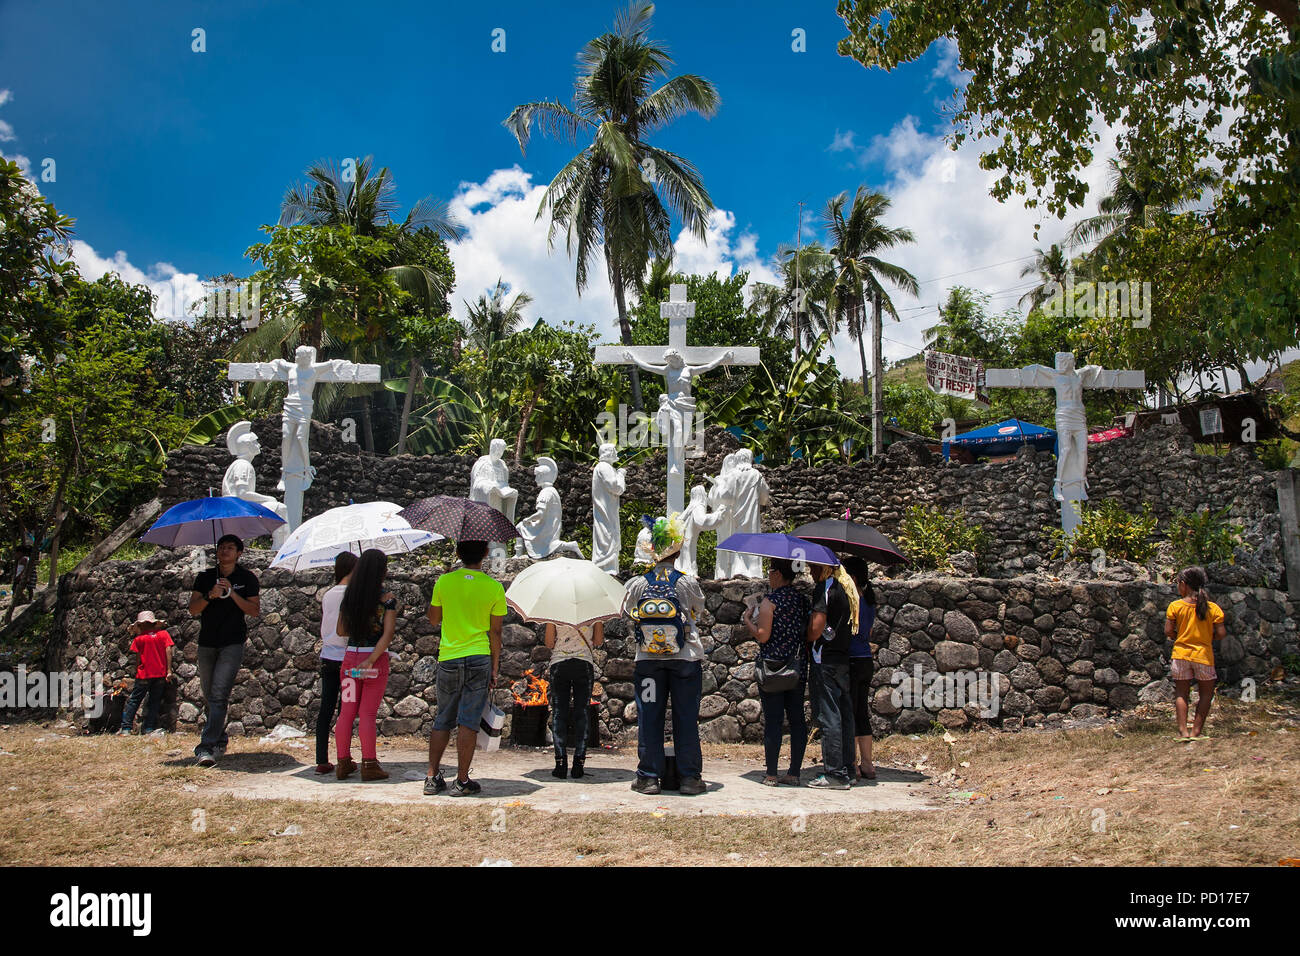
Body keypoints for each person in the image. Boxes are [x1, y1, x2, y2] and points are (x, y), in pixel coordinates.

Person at [623, 514, 707, 796]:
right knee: (686, 717)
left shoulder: (637, 583)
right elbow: (698, 612)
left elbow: (627, 612)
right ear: (678, 549)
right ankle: (689, 778)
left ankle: (648, 777)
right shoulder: (686, 582)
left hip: (648, 663)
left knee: (649, 716)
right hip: (685, 661)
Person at [425, 540, 505, 797]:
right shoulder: (494, 587)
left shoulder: (444, 582)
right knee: (469, 720)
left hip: (449, 655)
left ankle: (431, 776)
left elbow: (434, 619)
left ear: (458, 554)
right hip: (479, 656)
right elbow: (495, 631)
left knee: (443, 717)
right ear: (485, 554)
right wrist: (494, 667)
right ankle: (461, 780)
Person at [188, 534, 261, 767]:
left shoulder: (247, 578)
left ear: (239, 553)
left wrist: (232, 593)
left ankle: (206, 747)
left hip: (232, 641)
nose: (225, 551)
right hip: (207, 641)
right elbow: (193, 609)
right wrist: (211, 595)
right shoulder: (205, 577)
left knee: (219, 694)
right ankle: (220, 739)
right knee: (210, 696)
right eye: (221, 547)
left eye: (230, 548)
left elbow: (254, 610)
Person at [744, 558, 810, 786]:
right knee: (797, 720)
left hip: (772, 668)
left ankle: (771, 772)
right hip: (796, 666)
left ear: (779, 574)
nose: (769, 575)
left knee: (773, 720)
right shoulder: (802, 600)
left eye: (771, 571)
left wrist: (747, 621)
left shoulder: (769, 602)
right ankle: (794, 772)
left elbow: (763, 635)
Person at [334, 549, 397, 781]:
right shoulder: (387, 599)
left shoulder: (349, 596)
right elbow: (387, 634)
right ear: (383, 571)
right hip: (374, 662)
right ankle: (369, 764)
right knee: (368, 713)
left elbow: (341, 630)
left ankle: (342, 762)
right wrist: (370, 660)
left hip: (350, 661)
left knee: (347, 712)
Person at [806, 560, 858, 789]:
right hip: (842, 658)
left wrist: (806, 635)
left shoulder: (825, 588)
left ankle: (834, 773)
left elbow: (817, 627)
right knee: (845, 715)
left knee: (830, 717)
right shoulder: (847, 588)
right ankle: (848, 768)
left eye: (813, 567)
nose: (809, 572)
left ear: (824, 568)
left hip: (825, 659)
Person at [1165, 566, 1226, 740]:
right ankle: (1196, 731)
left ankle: (1183, 732)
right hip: (1204, 656)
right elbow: (1221, 633)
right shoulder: (1213, 608)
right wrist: (1206, 637)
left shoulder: (1175, 606)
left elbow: (1169, 631)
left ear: (1183, 585)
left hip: (1181, 655)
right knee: (1206, 693)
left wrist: (1181, 637)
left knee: (1181, 693)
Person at [314, 551, 357, 775]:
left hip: (328, 655)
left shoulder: (329, 594)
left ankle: (321, 758)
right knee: (346, 710)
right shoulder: (352, 595)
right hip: (347, 658)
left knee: (326, 709)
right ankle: (344, 756)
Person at [545, 619, 604, 779]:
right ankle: (579, 763)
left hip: (559, 664)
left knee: (559, 713)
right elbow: (598, 641)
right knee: (582, 713)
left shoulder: (554, 611)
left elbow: (549, 643)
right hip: (583, 664)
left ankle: (560, 763)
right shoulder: (594, 611)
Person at [843, 557, 878, 780]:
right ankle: (868, 763)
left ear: (853, 578)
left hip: (852, 659)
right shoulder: (870, 600)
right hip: (865, 659)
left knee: (850, 713)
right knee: (862, 713)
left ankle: (853, 764)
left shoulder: (851, 601)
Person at [118, 611, 174, 735]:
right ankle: (149, 728)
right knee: (154, 701)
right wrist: (168, 670)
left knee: (134, 701)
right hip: (160, 673)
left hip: (144, 674)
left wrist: (137, 669)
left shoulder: (139, 639)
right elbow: (168, 650)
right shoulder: (163, 635)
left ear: (141, 625)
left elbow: (138, 658)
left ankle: (126, 727)